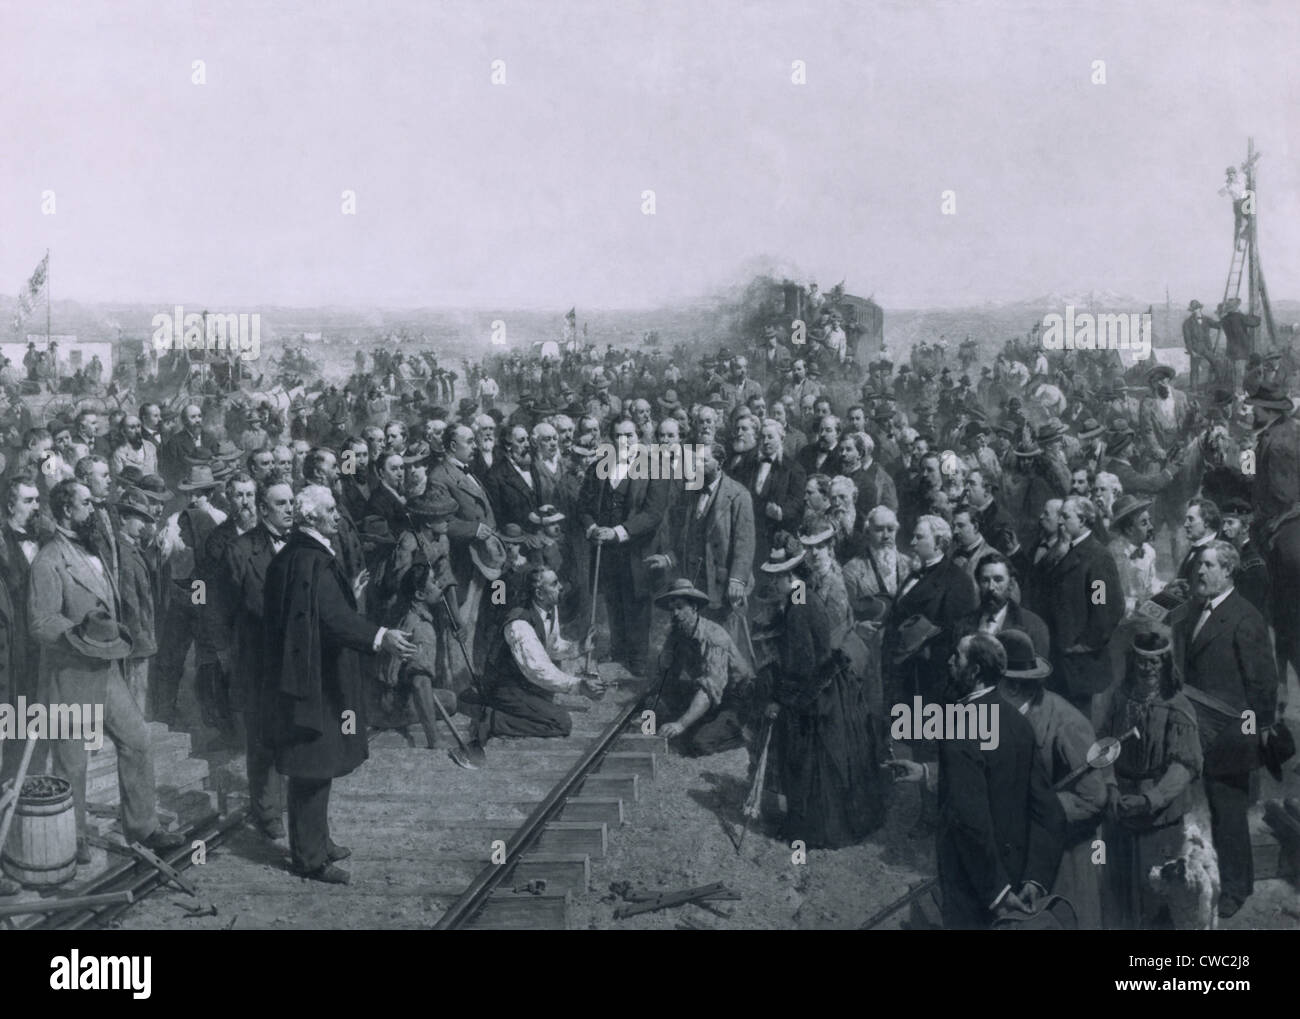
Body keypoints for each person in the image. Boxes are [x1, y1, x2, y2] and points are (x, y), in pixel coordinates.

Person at [262, 485, 418, 883]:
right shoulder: (309, 559)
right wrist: (382, 636)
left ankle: (321, 840)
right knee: (311, 766)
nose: (337, 516)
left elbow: (322, 610)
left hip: (312, 676)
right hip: (313, 681)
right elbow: (332, 621)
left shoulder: (299, 555)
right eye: (330, 510)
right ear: (311, 517)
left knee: (320, 761)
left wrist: (351, 597)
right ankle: (310, 859)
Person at [29, 479, 187, 865]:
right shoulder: (49, 559)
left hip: (106, 669)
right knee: (73, 763)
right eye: (86, 503)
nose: (95, 510)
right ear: (67, 510)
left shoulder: (97, 547)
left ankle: (143, 826)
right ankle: (74, 837)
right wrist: (77, 633)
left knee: (137, 739)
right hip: (70, 673)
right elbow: (38, 622)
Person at [891, 633, 1066, 929]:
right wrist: (1035, 879)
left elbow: (971, 821)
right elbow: (1049, 810)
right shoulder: (1017, 722)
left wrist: (996, 893)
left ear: (975, 671)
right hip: (1016, 878)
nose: (948, 662)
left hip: (973, 884)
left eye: (957, 657)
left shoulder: (960, 727)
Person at [1169, 540, 1278, 918]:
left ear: (1228, 571)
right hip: (1204, 726)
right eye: (1199, 565)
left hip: (1232, 733)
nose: (1200, 572)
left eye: (1210, 566)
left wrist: (1251, 733)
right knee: (1213, 807)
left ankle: (1237, 888)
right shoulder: (1199, 610)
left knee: (1229, 813)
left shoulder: (1244, 617)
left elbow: (1263, 683)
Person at [762, 547, 884, 847]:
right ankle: (807, 824)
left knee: (812, 761)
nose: (772, 585)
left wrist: (780, 698)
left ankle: (812, 830)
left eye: (776, 578)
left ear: (787, 576)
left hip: (815, 691)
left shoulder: (800, 604)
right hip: (820, 683)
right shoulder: (800, 596)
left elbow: (802, 662)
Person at [997, 629, 1110, 930]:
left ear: (1012, 686)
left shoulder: (1067, 724)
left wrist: (1040, 807)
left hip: (1066, 855)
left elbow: (1094, 798)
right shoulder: (997, 714)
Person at [1098, 623, 1202, 929]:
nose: (1148, 668)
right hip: (1120, 806)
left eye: (1155, 661)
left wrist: (1149, 799)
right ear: (1133, 662)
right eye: (1142, 661)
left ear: (1166, 664)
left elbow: (1183, 765)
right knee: (1119, 889)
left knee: (1155, 891)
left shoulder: (1178, 707)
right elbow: (1104, 744)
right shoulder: (1119, 698)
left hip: (1160, 815)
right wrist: (1110, 785)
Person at [477, 567, 604, 739]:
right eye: (554, 584)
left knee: (550, 707)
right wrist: (579, 686)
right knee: (562, 722)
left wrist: (580, 647)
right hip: (505, 688)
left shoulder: (550, 609)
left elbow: (552, 647)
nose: (561, 587)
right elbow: (538, 669)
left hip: (526, 683)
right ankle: (493, 720)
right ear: (539, 593)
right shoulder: (519, 624)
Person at [652, 579, 754, 755]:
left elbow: (709, 689)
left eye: (680, 607)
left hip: (735, 698)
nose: (675, 614)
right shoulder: (678, 633)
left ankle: (743, 734)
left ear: (694, 608)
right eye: (672, 609)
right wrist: (665, 652)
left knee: (698, 744)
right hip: (708, 694)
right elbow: (667, 676)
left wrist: (681, 724)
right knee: (651, 703)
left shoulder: (713, 637)